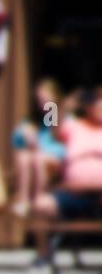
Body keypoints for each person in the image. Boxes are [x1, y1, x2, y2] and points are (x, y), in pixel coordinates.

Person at [32, 86, 102, 221]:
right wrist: (55, 106)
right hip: (73, 193)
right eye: (97, 103)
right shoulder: (73, 125)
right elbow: (51, 129)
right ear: (89, 107)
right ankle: (47, 241)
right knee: (42, 205)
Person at [11, 78, 69, 217]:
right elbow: (16, 140)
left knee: (37, 157)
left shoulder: (60, 118)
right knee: (23, 157)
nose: (43, 102)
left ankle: (38, 196)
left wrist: (37, 145)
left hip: (56, 157)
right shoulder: (35, 119)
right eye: (40, 99)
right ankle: (24, 201)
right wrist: (24, 133)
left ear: (55, 98)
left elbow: (58, 143)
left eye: (46, 98)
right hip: (36, 159)